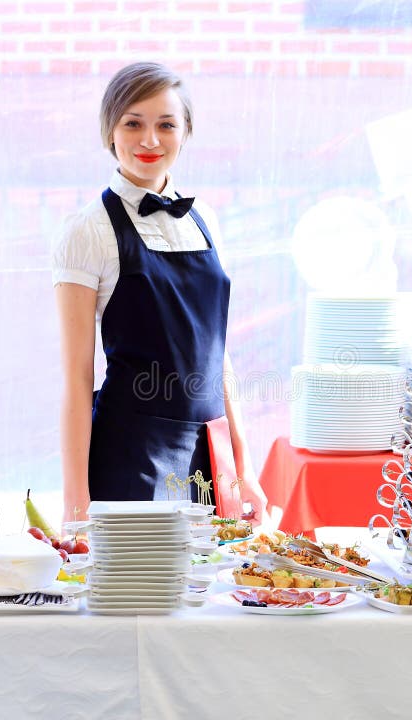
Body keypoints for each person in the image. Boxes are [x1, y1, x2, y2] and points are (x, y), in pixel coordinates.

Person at [52, 61, 268, 524]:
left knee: (212, 590)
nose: (150, 140)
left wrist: (244, 467)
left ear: (186, 132)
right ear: (110, 130)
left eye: (166, 125)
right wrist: (76, 505)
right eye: (133, 123)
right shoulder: (86, 230)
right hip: (132, 455)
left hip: (211, 455)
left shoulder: (206, 219)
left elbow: (218, 356)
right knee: (138, 595)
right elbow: (75, 378)